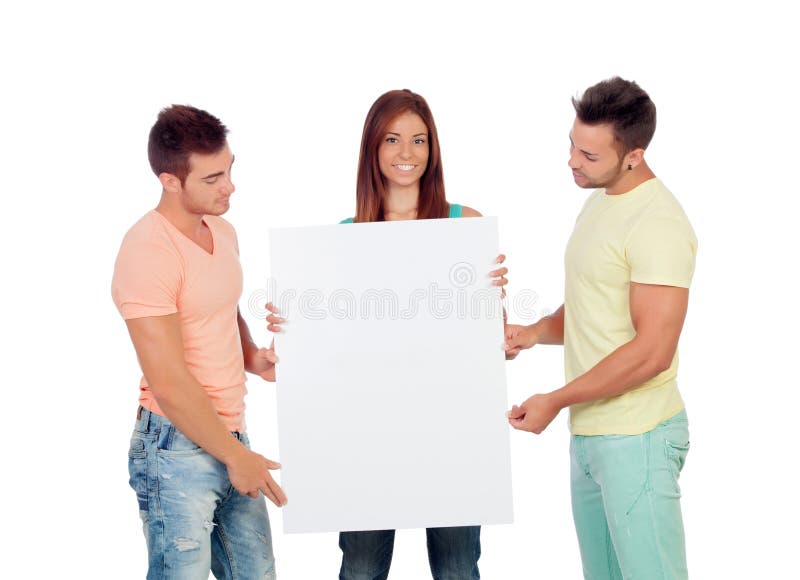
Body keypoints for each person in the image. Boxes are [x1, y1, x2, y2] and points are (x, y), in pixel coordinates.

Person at [267, 89, 508, 580]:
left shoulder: (466, 226)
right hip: (368, 437)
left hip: (452, 433)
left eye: (419, 140)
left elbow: (493, 348)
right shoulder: (343, 236)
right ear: (372, 149)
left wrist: (493, 306)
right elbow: (332, 352)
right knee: (360, 569)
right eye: (392, 139)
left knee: (459, 569)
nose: (406, 154)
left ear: (432, 148)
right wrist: (293, 332)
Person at [504, 77, 697, 579]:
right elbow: (591, 306)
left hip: (639, 435)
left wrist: (557, 398)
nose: (572, 161)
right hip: (591, 435)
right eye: (572, 144)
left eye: (589, 155)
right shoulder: (600, 202)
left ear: (633, 155)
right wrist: (532, 333)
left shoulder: (657, 223)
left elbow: (653, 350)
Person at [112, 104, 286, 580]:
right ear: (170, 181)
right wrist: (236, 457)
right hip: (173, 445)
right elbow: (168, 382)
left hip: (230, 433)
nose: (228, 186)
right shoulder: (148, 252)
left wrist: (254, 357)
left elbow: (221, 306)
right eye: (211, 179)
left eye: (229, 170)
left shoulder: (222, 230)